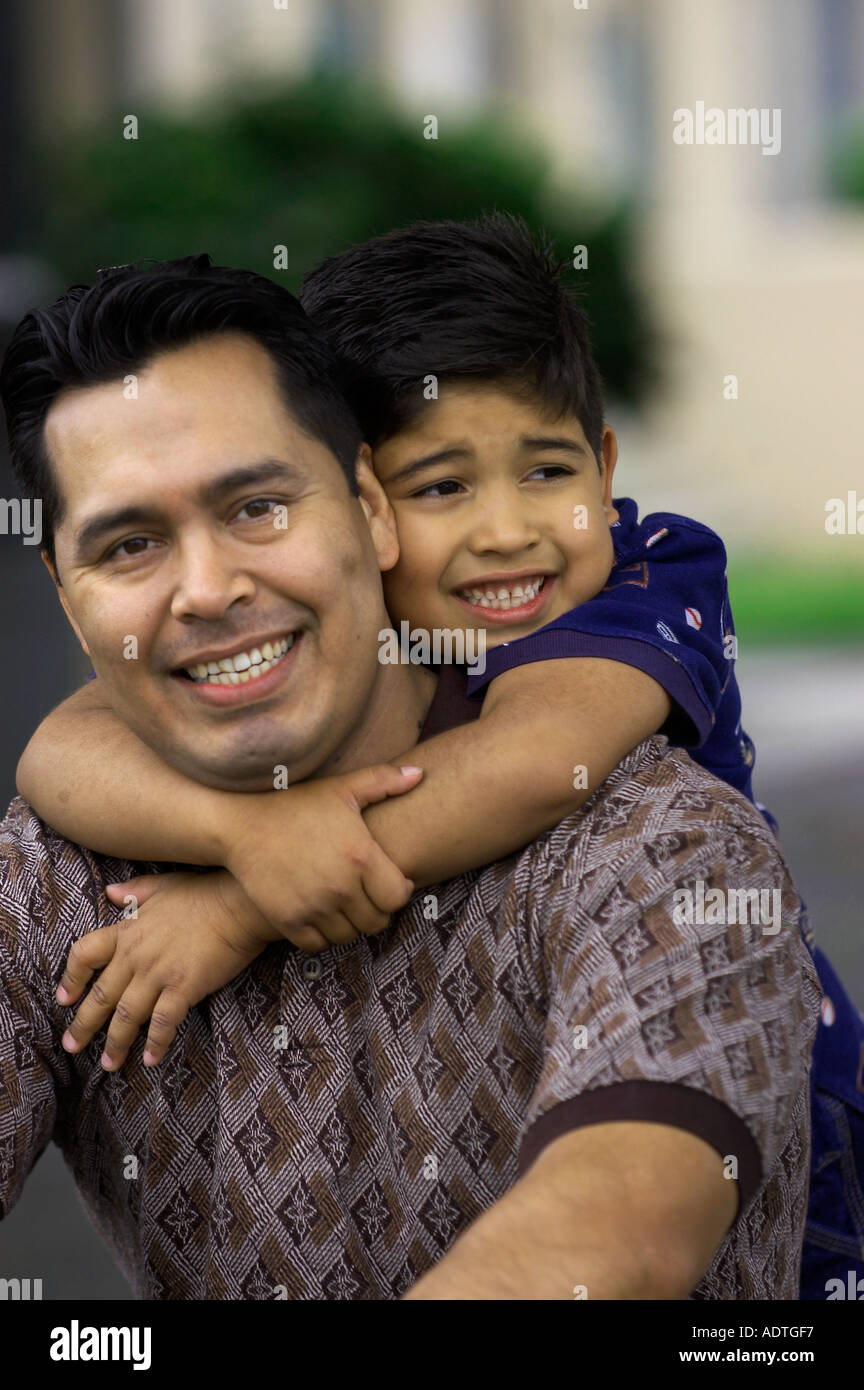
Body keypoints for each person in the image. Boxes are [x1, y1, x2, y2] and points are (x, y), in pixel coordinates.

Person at [0, 254, 820, 1299]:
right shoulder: (54, 883)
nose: (205, 590)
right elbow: (56, 750)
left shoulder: (655, 834)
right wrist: (248, 835)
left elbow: (617, 1234)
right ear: (71, 601)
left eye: (256, 506)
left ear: (369, 511)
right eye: (129, 544)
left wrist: (252, 894)